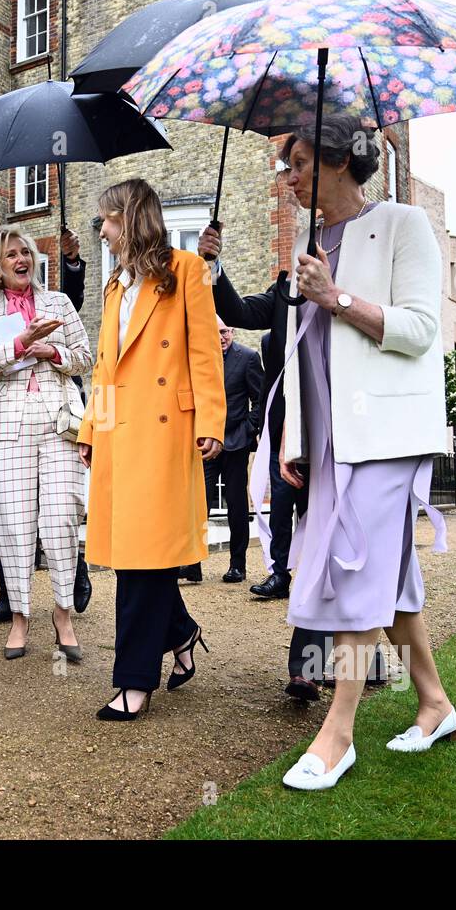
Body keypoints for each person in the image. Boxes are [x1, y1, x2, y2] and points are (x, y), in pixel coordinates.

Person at [270, 114, 455, 790]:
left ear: (340, 160)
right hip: (330, 436)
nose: (288, 177)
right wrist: (297, 437)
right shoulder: (313, 239)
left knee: (354, 576)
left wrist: (336, 295)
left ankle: (338, 732)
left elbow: (419, 328)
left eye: (297, 164)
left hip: (386, 435)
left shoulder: (404, 225)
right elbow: (305, 353)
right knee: (389, 579)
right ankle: (434, 703)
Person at [78, 178, 225, 720]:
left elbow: (204, 351)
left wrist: (211, 418)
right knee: (136, 554)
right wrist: (93, 429)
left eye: (108, 220)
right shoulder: (115, 285)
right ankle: (181, 632)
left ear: (131, 217)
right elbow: (105, 371)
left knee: (144, 555)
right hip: (120, 433)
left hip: (166, 431)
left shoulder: (186, 271)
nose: (103, 230)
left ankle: (133, 679)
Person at [200, 226, 330, 703]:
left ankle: (356, 654)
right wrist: (213, 265)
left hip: (338, 435)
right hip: (287, 434)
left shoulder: (352, 289)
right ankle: (304, 665)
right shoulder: (284, 292)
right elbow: (237, 311)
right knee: (286, 517)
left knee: (329, 547)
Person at [0, 226, 93, 660]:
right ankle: (20, 617)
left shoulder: (58, 303)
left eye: (26, 251)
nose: (22, 259)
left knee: (61, 517)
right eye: (12, 256)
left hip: (60, 424)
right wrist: (25, 340)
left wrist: (52, 353)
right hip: (8, 430)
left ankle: (62, 613)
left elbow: (86, 356)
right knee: (14, 524)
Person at [179, 317, 263, 584]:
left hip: (236, 443)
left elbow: (260, 400)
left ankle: (237, 565)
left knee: (236, 506)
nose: (222, 336)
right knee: (197, 505)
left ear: (233, 331)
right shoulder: (200, 359)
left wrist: (248, 429)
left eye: (225, 331)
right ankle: (192, 565)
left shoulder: (249, 357)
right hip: (205, 444)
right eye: (216, 332)